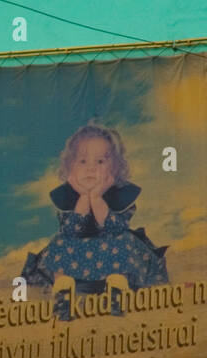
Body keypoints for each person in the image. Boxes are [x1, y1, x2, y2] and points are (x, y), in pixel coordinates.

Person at [22, 123, 168, 318]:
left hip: (112, 255)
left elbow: (114, 229)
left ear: (115, 168)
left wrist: (97, 198)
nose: (90, 168)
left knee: (124, 241)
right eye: (82, 161)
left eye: (100, 162)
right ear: (69, 167)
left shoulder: (121, 194)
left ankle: (116, 291)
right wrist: (83, 197)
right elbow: (71, 230)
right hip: (78, 262)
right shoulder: (67, 196)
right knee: (60, 242)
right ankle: (64, 294)